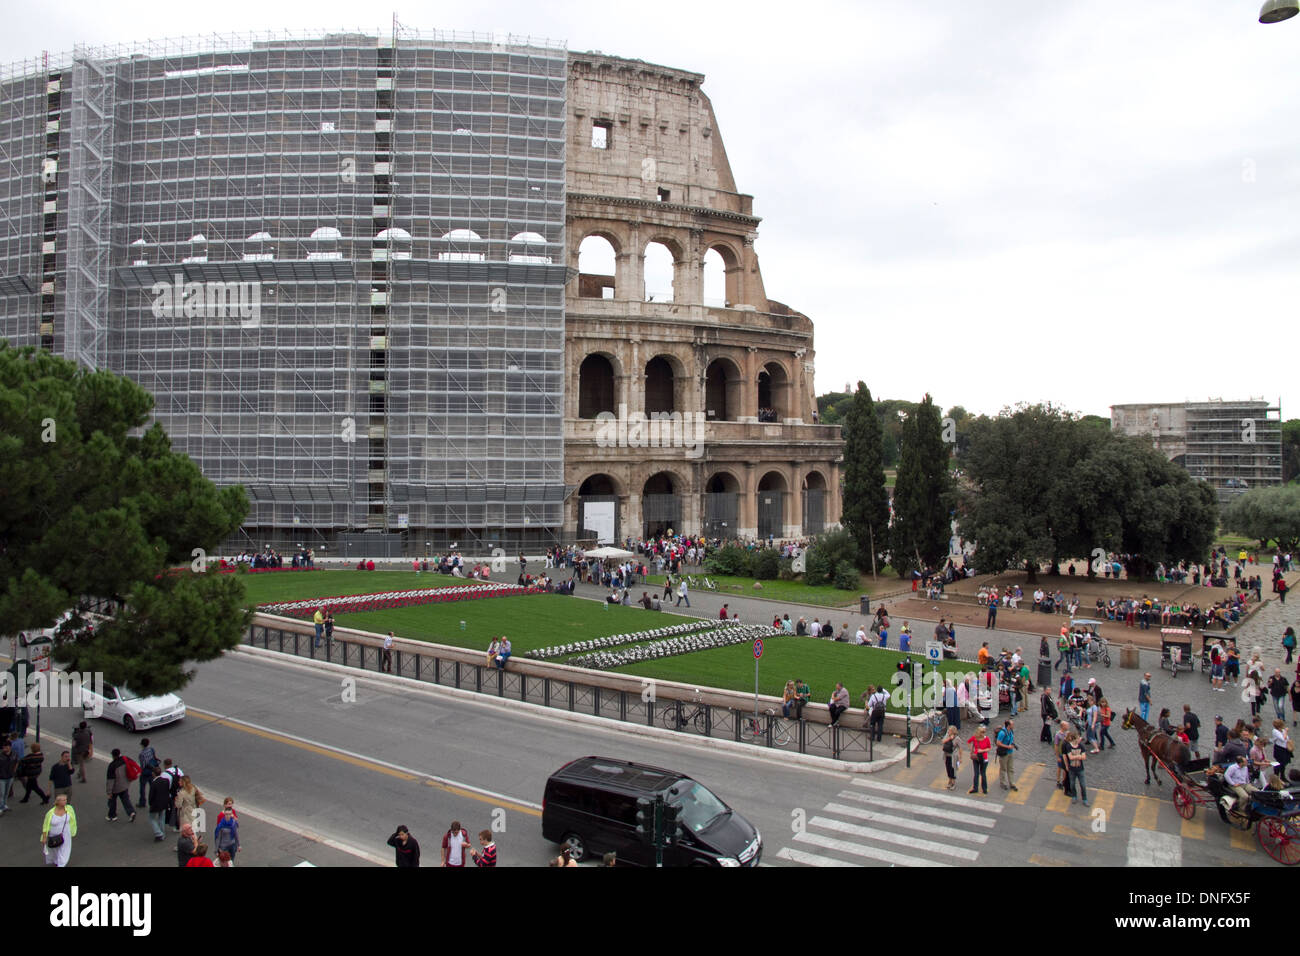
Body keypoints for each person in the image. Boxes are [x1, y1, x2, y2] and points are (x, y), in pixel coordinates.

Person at [40, 793, 77, 867]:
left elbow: (73, 820)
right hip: (53, 835)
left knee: (64, 850)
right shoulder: (50, 813)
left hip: (66, 834)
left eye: (65, 799)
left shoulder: (69, 809)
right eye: (63, 800)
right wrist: (44, 837)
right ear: (58, 801)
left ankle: (61, 864)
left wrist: (73, 830)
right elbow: (45, 826)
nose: (65, 801)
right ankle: (57, 861)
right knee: (55, 850)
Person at [105, 748, 136, 823]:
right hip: (125, 784)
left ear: (113, 756)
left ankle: (112, 816)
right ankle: (131, 812)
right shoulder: (125, 759)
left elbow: (110, 780)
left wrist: (109, 792)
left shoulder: (112, 766)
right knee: (126, 800)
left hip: (115, 788)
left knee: (112, 802)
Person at [1062, 730, 1089, 805]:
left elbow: (1084, 757)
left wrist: (1075, 756)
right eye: (1078, 738)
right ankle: (1074, 796)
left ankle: (1085, 798)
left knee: (1083, 785)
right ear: (1074, 739)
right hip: (1072, 769)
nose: (1079, 739)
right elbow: (1070, 757)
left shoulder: (1081, 746)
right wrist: (1079, 756)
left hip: (1080, 769)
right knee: (1072, 784)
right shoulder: (1068, 746)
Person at [17, 741, 49, 805]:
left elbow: (22, 760)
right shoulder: (40, 756)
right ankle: (26, 798)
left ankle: (45, 798)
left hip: (31, 773)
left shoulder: (30, 756)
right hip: (36, 772)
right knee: (29, 785)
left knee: (35, 787)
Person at [148, 768, 173, 841]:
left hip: (156, 804)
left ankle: (158, 833)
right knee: (161, 818)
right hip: (164, 803)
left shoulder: (154, 783)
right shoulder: (166, 780)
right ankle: (163, 834)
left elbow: (151, 795)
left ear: (153, 774)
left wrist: (150, 803)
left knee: (152, 818)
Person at [967, 725, 991, 794]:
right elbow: (968, 742)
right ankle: (975, 788)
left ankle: (984, 788)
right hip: (976, 758)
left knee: (983, 774)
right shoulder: (975, 738)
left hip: (984, 758)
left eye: (984, 732)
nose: (983, 734)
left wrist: (982, 750)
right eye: (982, 732)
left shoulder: (986, 739)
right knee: (976, 773)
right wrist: (972, 749)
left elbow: (989, 748)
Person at [996, 719, 1019, 791]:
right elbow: (998, 743)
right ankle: (1003, 783)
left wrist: (1012, 745)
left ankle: (1012, 783)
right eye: (1012, 724)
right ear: (1008, 725)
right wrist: (1008, 747)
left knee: (1010, 768)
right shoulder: (1002, 733)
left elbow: (1011, 739)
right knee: (1003, 768)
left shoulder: (1011, 731)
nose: (1013, 725)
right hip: (1004, 753)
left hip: (1010, 752)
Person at [137, 738, 159, 808]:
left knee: (142, 788)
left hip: (145, 773)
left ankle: (142, 802)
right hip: (152, 772)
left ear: (142, 745)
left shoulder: (141, 754)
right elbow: (155, 757)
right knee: (152, 787)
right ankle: (154, 801)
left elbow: (143, 765)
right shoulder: (151, 749)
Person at [941, 726, 962, 790]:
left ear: (953, 732)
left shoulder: (957, 738)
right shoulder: (947, 736)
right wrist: (949, 738)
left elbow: (960, 748)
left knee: (953, 769)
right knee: (948, 768)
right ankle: (949, 781)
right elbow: (943, 741)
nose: (948, 732)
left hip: (953, 756)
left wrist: (960, 758)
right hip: (946, 755)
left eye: (949, 731)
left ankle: (953, 783)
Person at [0, 739, 16, 815]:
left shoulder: (14, 754)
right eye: (3, 747)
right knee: (2, 793)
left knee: (6, 792)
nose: (4, 749)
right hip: (1, 777)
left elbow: (16, 762)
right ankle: (0, 807)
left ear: (10, 747)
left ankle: (4, 805)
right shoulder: (0, 755)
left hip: (10, 776)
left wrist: (14, 772)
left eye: (6, 747)